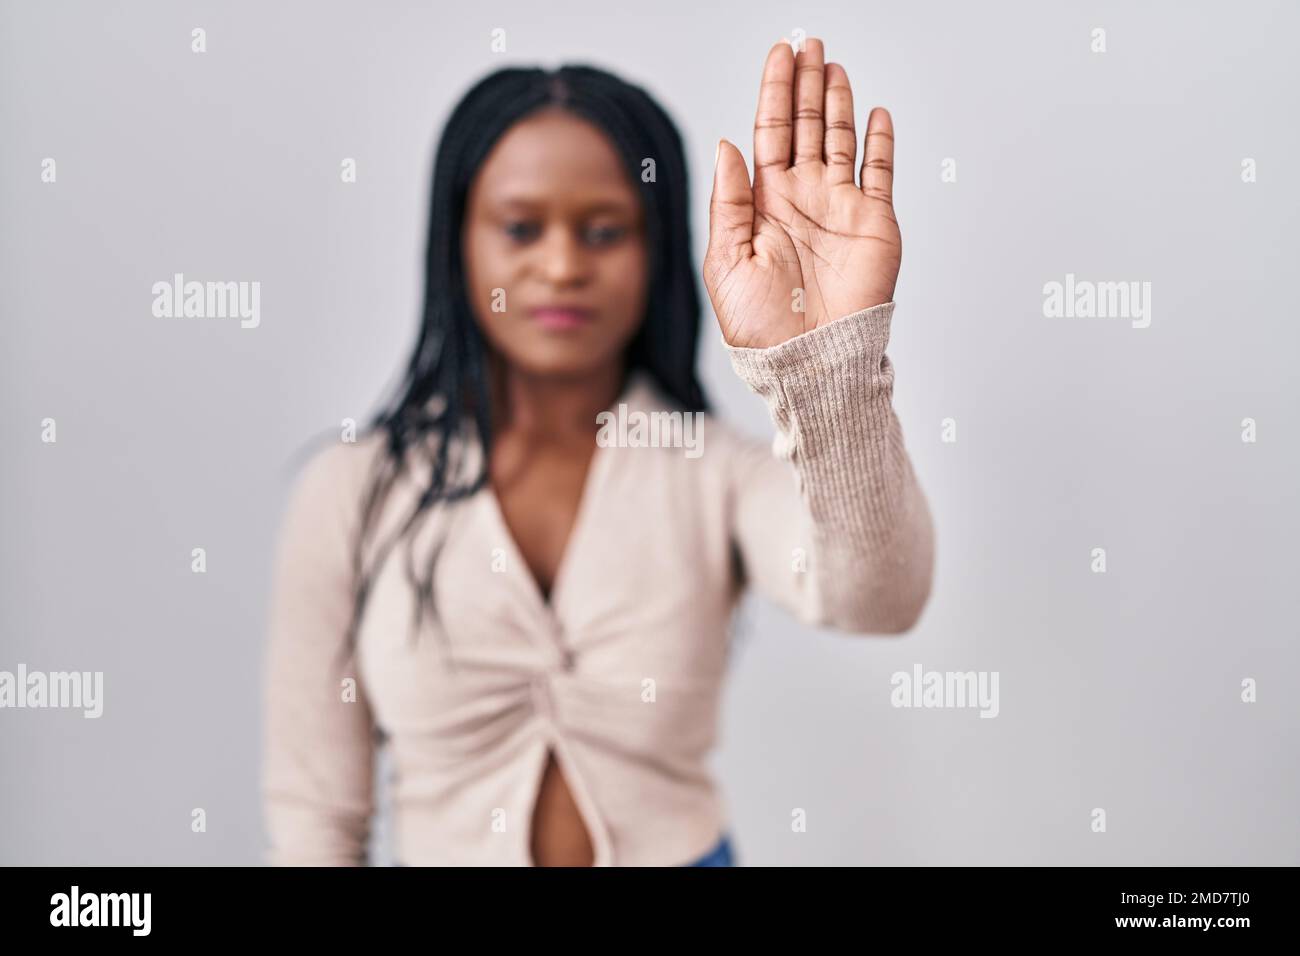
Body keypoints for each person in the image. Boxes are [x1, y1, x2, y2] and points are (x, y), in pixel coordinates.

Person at [261, 37, 934, 867]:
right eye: (519, 227)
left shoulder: (712, 472)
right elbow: (316, 813)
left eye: (606, 230)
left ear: (657, 251)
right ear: (458, 241)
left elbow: (880, 600)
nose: (561, 266)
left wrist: (828, 363)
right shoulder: (353, 490)